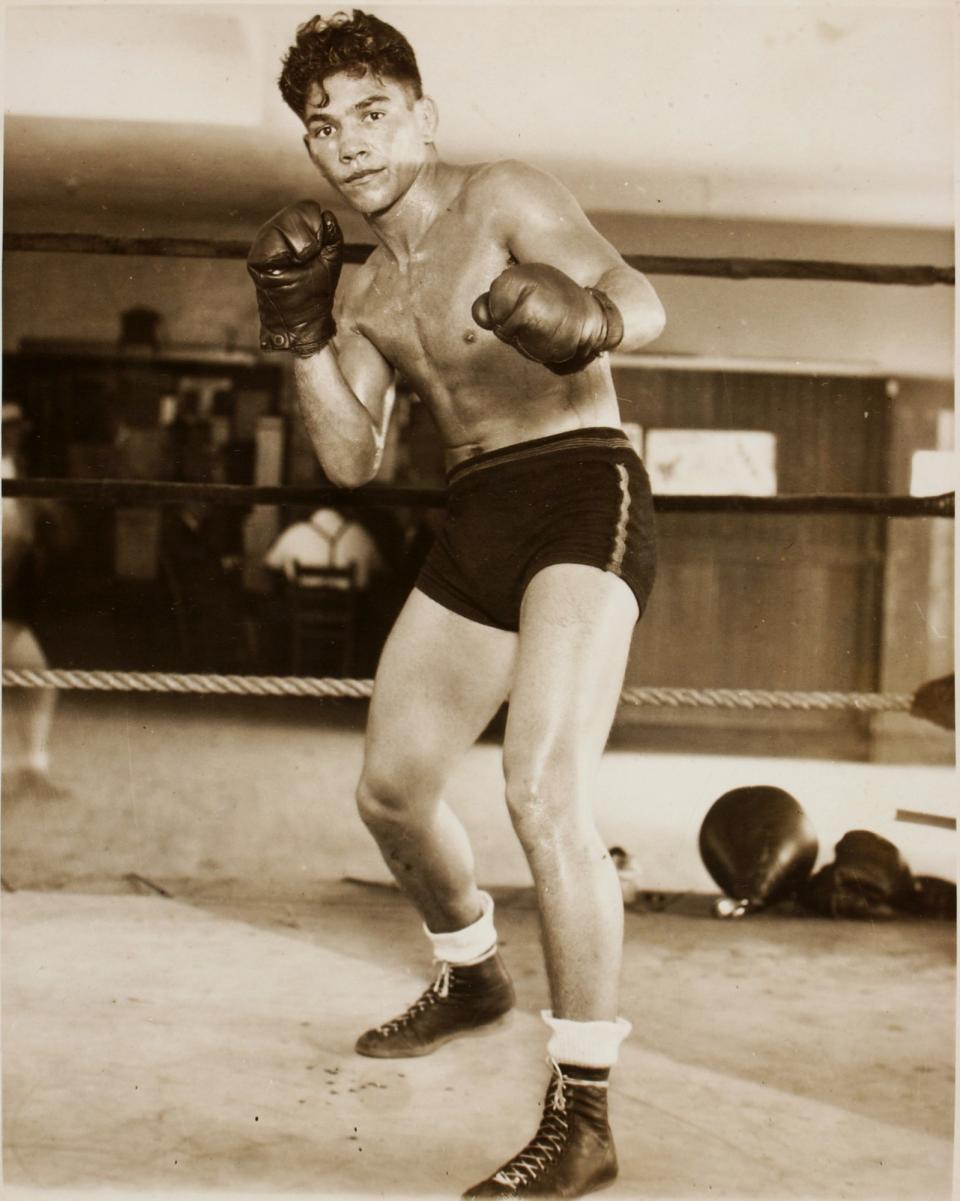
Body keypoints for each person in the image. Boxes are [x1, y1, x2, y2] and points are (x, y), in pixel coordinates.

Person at [247, 11, 665, 1197]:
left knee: (543, 787)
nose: (347, 142)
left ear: (421, 117)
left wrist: (593, 319)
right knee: (389, 788)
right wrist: (302, 331)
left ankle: (583, 1115)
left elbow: (641, 294)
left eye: (371, 113)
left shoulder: (504, 196)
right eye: (324, 125)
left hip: (585, 488)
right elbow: (349, 462)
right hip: (475, 510)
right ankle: (472, 968)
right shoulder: (370, 291)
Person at [2, 403, 70, 802]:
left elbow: (17, 529)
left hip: (6, 593)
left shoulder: (13, 464)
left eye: (17, 428)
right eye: (8, 428)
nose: (15, 433)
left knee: (39, 680)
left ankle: (33, 765)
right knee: (38, 680)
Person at [264, 506, 383, 589]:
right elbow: (379, 568)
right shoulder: (358, 532)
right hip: (349, 615)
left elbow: (270, 563)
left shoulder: (295, 531)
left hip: (304, 612)